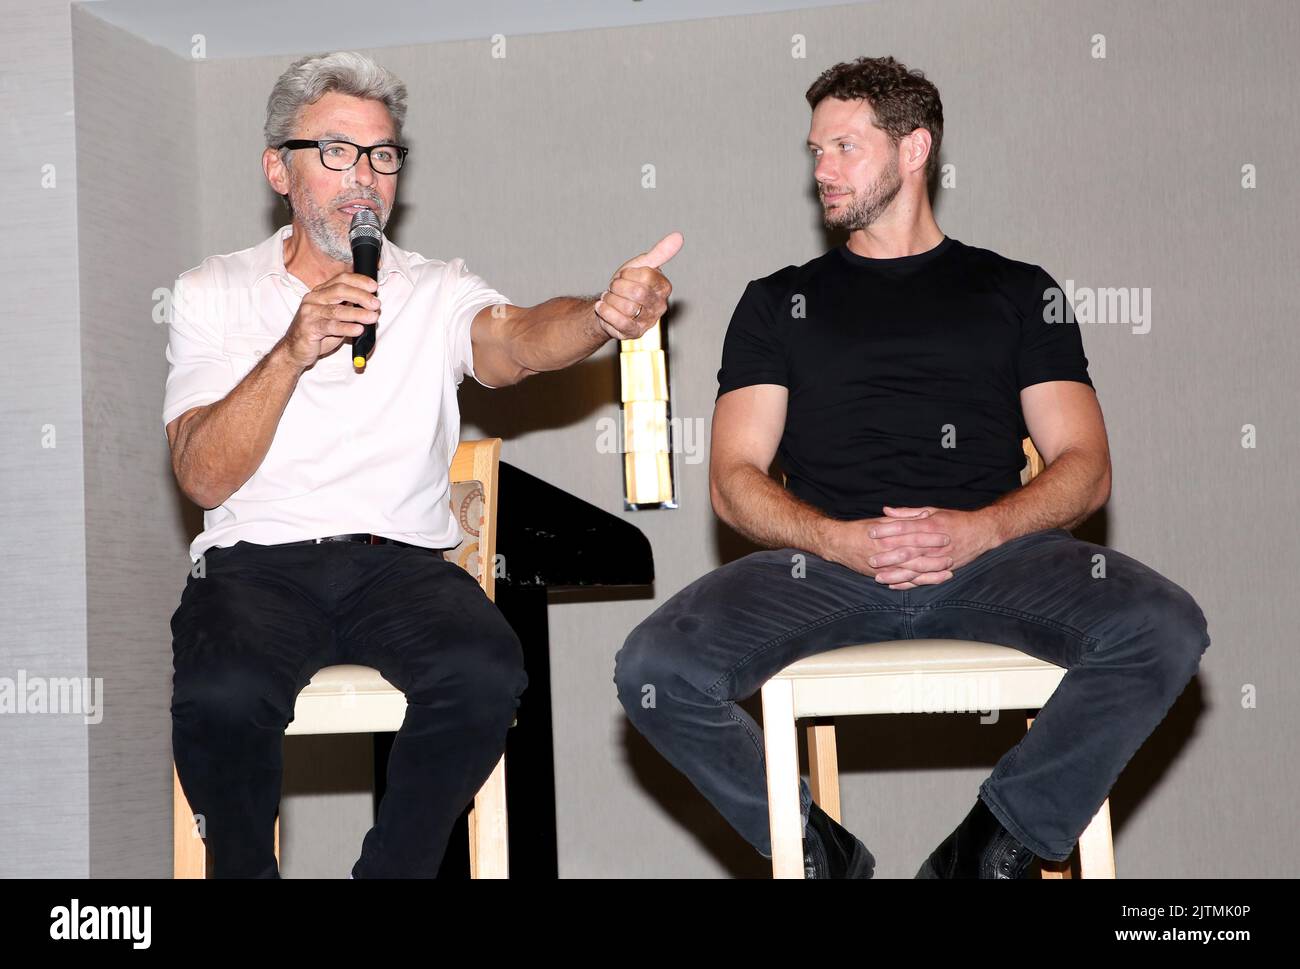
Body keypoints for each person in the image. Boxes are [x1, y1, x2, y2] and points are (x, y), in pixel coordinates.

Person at [615, 55, 1209, 878]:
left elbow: (1086, 466)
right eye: (815, 151)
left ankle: (986, 852)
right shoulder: (776, 301)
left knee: (1164, 623)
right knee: (655, 667)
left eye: (844, 147)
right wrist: (836, 539)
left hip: (997, 557)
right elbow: (733, 478)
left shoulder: (1015, 289)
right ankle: (820, 856)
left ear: (914, 148)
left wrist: (982, 530)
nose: (822, 170)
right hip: (821, 566)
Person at [164, 50, 680, 878]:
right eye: (336, 151)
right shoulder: (211, 291)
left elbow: (514, 340)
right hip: (253, 570)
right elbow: (202, 476)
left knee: (484, 669)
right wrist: (293, 348)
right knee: (222, 697)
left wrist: (598, 316)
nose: (364, 177)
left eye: (383, 154)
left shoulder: (435, 287)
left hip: (399, 569)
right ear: (278, 170)